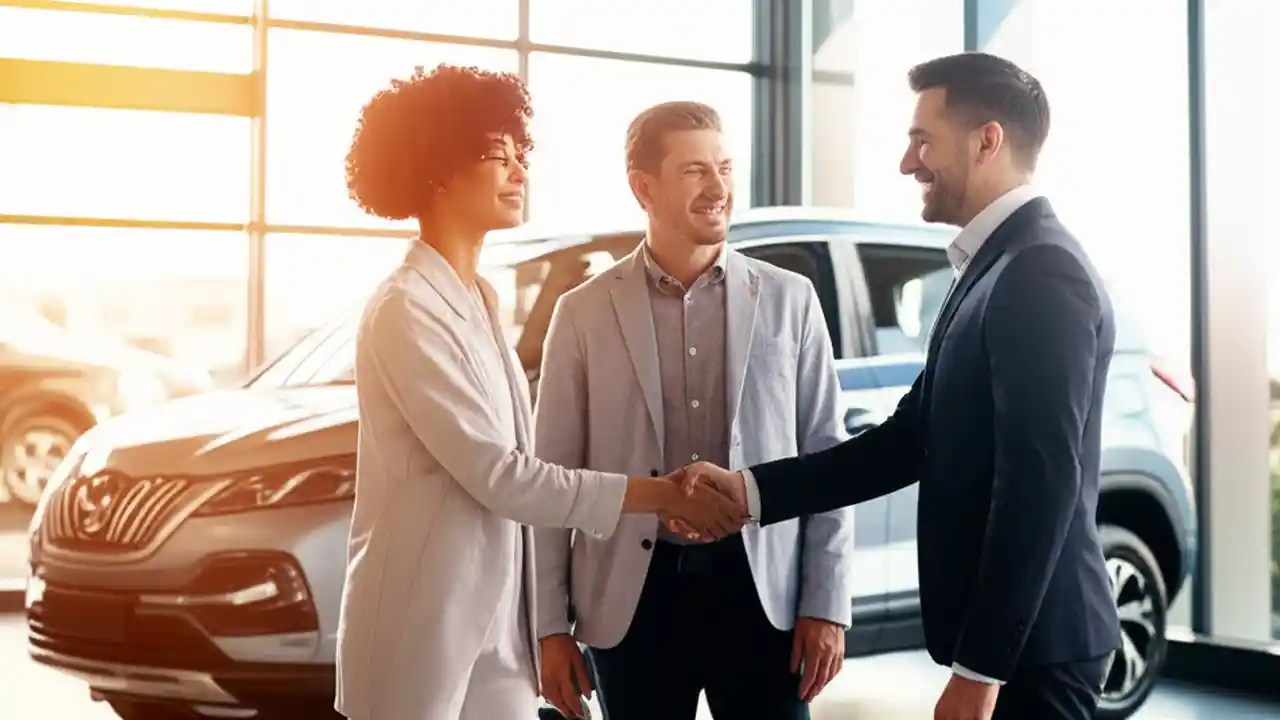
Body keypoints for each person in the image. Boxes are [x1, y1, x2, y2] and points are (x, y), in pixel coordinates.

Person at [679, 53, 1122, 720]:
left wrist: (981, 672)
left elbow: (1039, 486)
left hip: (1036, 652)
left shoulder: (1038, 271)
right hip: (1020, 649)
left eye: (922, 140)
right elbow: (906, 442)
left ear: (987, 140)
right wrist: (749, 492)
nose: (907, 163)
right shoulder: (989, 269)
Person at [331, 65, 747, 720]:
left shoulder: (477, 298)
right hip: (422, 629)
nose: (520, 171)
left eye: (519, 153)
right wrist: (660, 494)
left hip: (494, 628)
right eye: (498, 157)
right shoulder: (406, 307)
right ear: (438, 169)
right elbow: (502, 476)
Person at [533, 101, 855, 720]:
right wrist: (549, 627)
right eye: (694, 171)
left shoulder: (792, 300)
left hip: (767, 598)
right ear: (643, 188)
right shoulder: (582, 313)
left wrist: (826, 604)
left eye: (726, 168)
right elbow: (554, 482)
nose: (718, 188)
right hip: (631, 603)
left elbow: (828, 461)